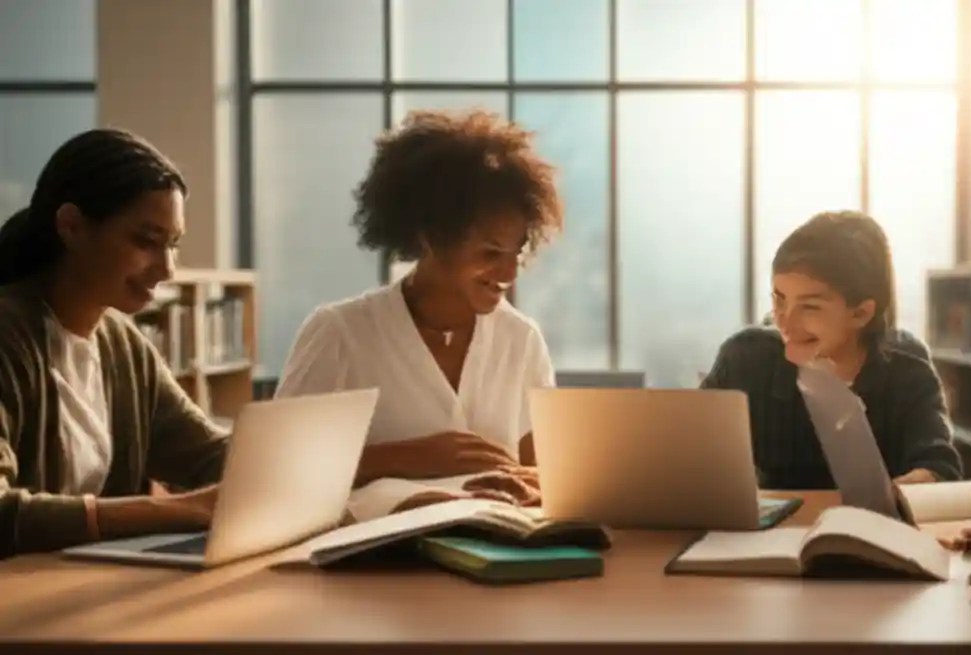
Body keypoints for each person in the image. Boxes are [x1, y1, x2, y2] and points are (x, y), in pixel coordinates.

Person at [275, 110, 562, 505]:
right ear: (430, 237)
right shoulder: (339, 333)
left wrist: (529, 486)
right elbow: (278, 473)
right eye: (491, 251)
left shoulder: (522, 339)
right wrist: (405, 458)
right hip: (377, 560)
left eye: (518, 251)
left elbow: (546, 474)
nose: (510, 271)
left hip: (497, 548)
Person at [0, 128, 227, 558]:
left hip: (84, 592)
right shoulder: (9, 335)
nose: (167, 270)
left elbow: (205, 453)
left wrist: (287, 470)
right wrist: (173, 510)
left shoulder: (123, 344)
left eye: (173, 244)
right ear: (72, 226)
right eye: (146, 241)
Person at [701, 210, 963, 490]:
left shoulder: (907, 371)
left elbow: (939, 468)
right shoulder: (746, 358)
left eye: (810, 307)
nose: (784, 321)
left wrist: (918, 482)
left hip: (868, 529)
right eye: (779, 300)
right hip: (768, 531)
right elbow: (687, 444)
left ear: (860, 313)